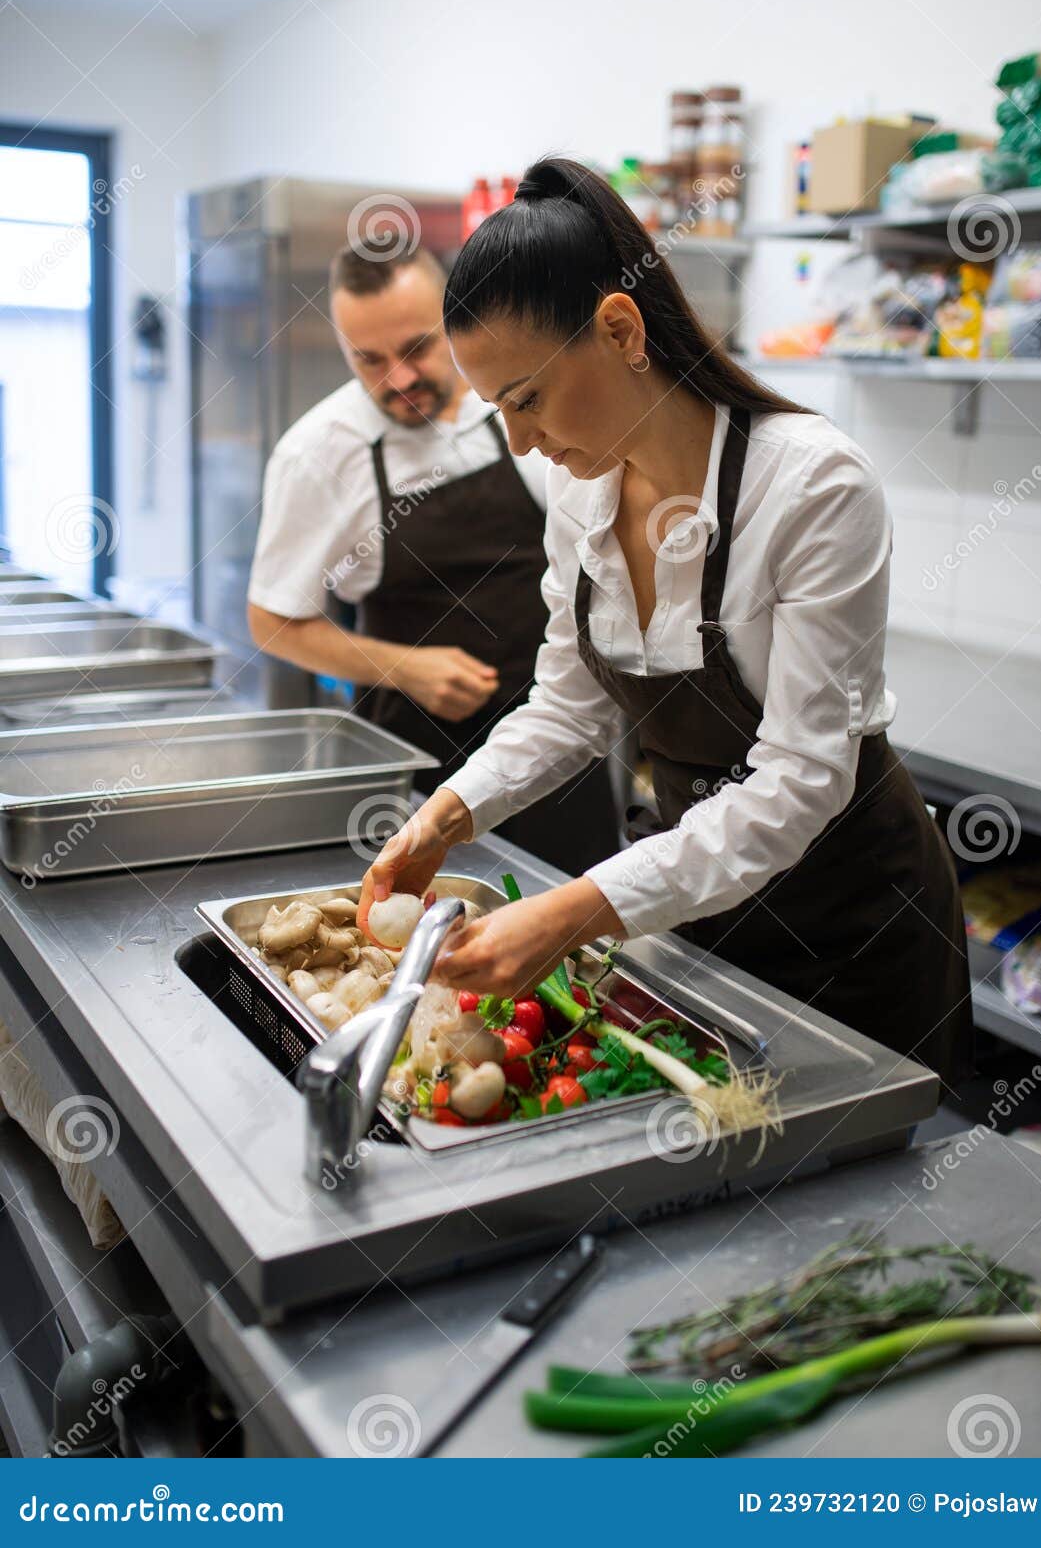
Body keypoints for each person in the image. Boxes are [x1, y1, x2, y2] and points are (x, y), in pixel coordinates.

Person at [357, 157, 974, 1093]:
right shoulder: (579, 489)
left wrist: (574, 909)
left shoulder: (810, 485)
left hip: (857, 920)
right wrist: (444, 818)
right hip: (701, 904)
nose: (518, 441)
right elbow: (568, 709)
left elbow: (802, 777)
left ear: (619, 327)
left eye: (526, 398)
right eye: (497, 411)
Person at [246, 232, 618, 877]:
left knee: (579, 945)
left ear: (454, 321)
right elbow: (272, 620)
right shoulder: (318, 454)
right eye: (368, 360)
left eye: (417, 347)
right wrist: (404, 668)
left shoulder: (517, 402)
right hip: (416, 765)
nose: (401, 377)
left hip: (558, 742)